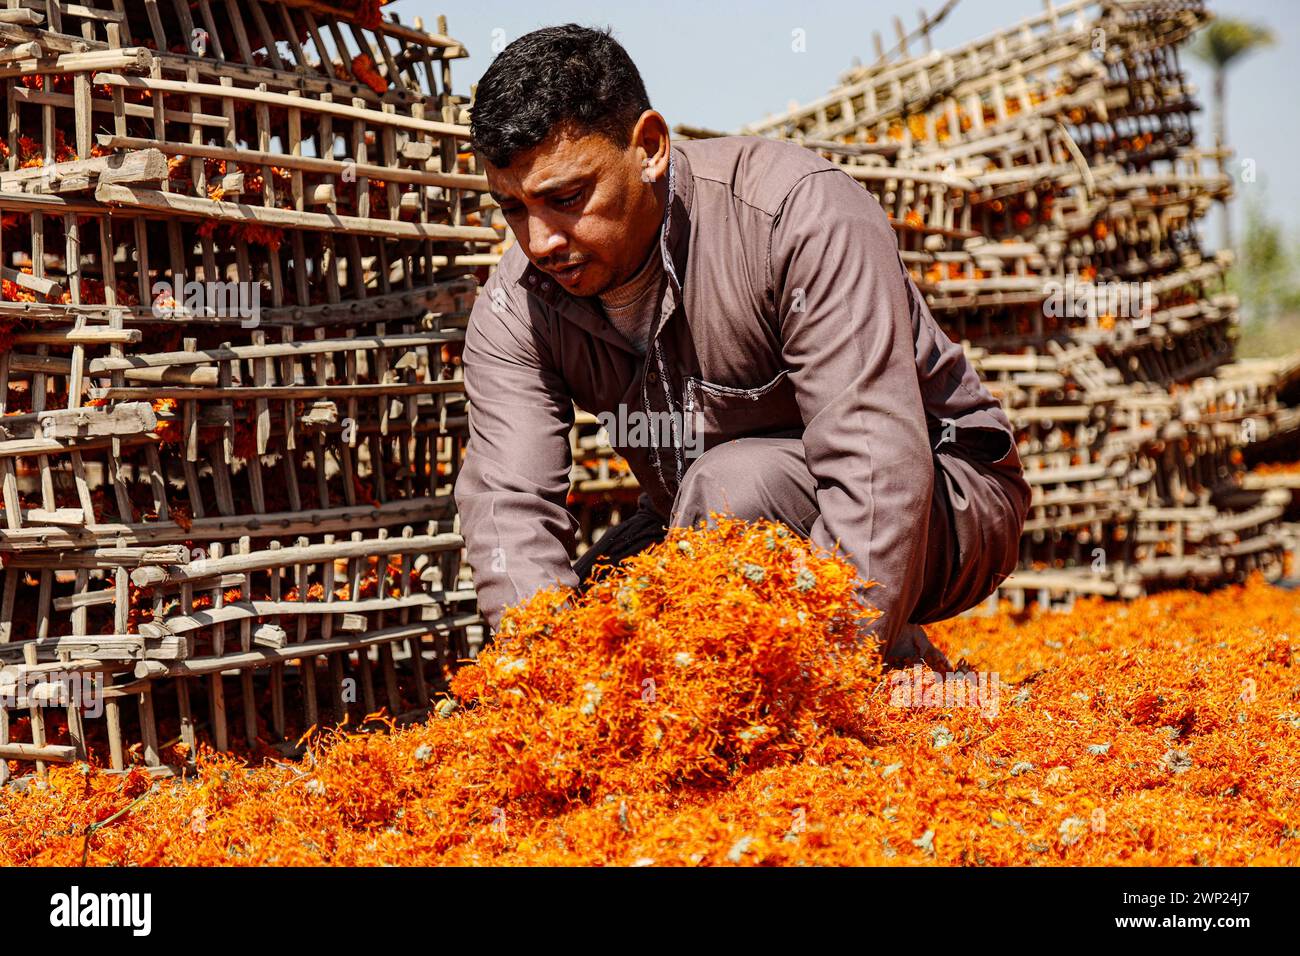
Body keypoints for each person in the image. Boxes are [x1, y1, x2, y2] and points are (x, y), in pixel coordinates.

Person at [453, 24, 1030, 670]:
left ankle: (880, 658)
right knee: (599, 625)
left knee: (732, 487)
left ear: (648, 147)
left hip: (943, 501)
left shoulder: (794, 214)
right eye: (511, 209)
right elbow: (509, 501)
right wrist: (550, 683)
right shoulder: (518, 303)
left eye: (565, 199)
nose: (539, 242)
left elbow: (876, 458)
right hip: (705, 522)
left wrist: (831, 672)